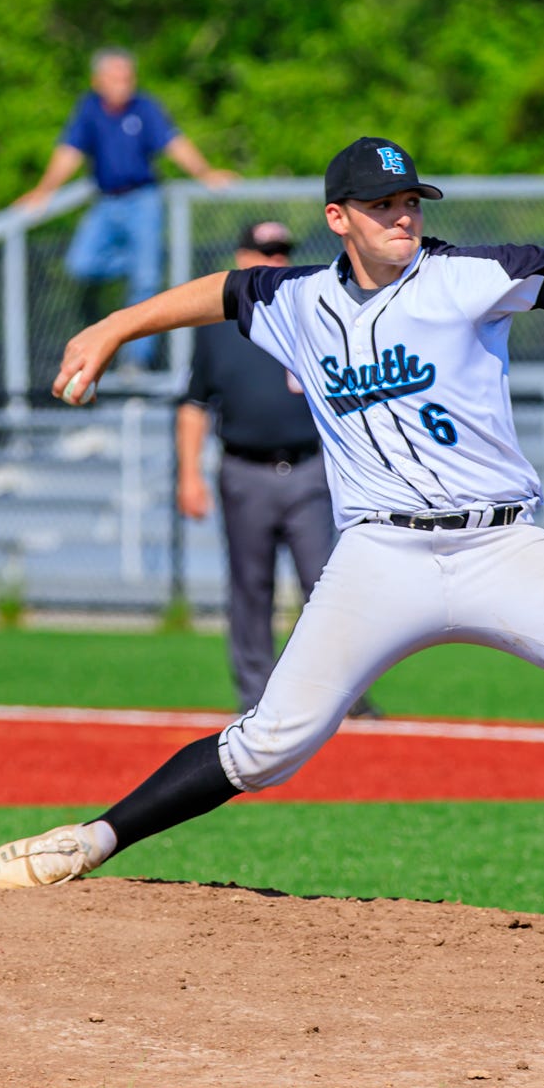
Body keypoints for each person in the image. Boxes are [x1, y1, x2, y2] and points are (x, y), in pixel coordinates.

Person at [0, 137, 544, 951]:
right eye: (382, 204)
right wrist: (108, 330)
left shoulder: (467, 276)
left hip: (501, 547)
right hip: (380, 559)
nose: (403, 215)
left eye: (410, 199)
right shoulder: (295, 300)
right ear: (339, 218)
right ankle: (91, 839)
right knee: (267, 747)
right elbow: (219, 291)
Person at [178, 220, 382, 719]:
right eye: (264, 252)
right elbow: (194, 403)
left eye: (281, 252)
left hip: (311, 469)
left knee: (327, 585)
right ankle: (257, 699)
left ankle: (342, 695)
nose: (274, 262)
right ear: (241, 258)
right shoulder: (218, 327)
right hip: (244, 470)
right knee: (250, 588)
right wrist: (189, 475)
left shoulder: (315, 316)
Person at [14, 47, 236, 369]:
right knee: (81, 264)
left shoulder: (144, 107)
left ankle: (136, 362)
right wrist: (43, 191)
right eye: (115, 78)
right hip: (105, 202)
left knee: (146, 283)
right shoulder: (89, 109)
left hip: (143, 200)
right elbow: (69, 152)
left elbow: (173, 143)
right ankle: (140, 263)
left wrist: (205, 173)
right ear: (98, 81)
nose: (123, 84)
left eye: (127, 78)